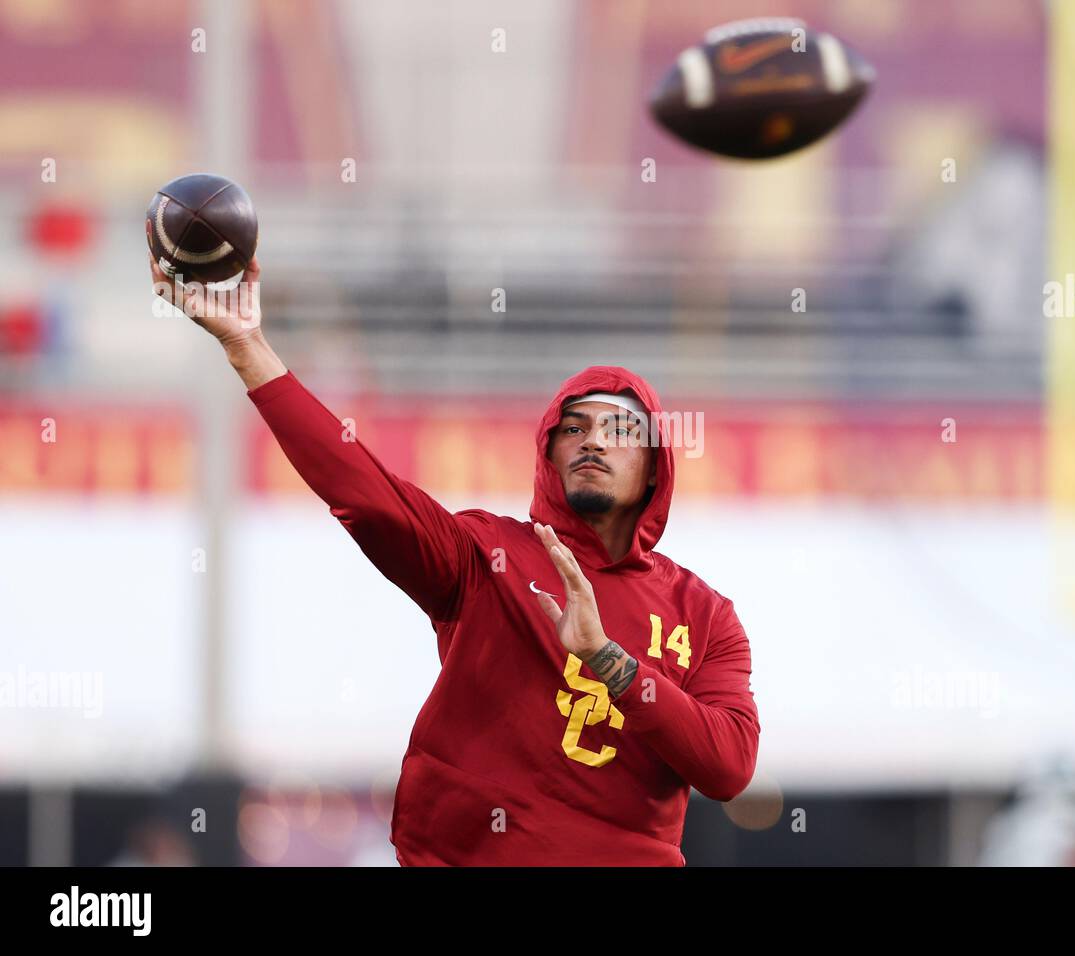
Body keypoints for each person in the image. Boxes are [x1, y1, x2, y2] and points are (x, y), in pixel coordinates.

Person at [149, 252, 760, 866]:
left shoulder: (706, 616)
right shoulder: (489, 557)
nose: (594, 439)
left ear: (657, 463)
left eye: (620, 429)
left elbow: (729, 768)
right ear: (548, 453)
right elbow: (369, 497)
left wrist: (607, 658)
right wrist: (248, 348)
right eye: (572, 428)